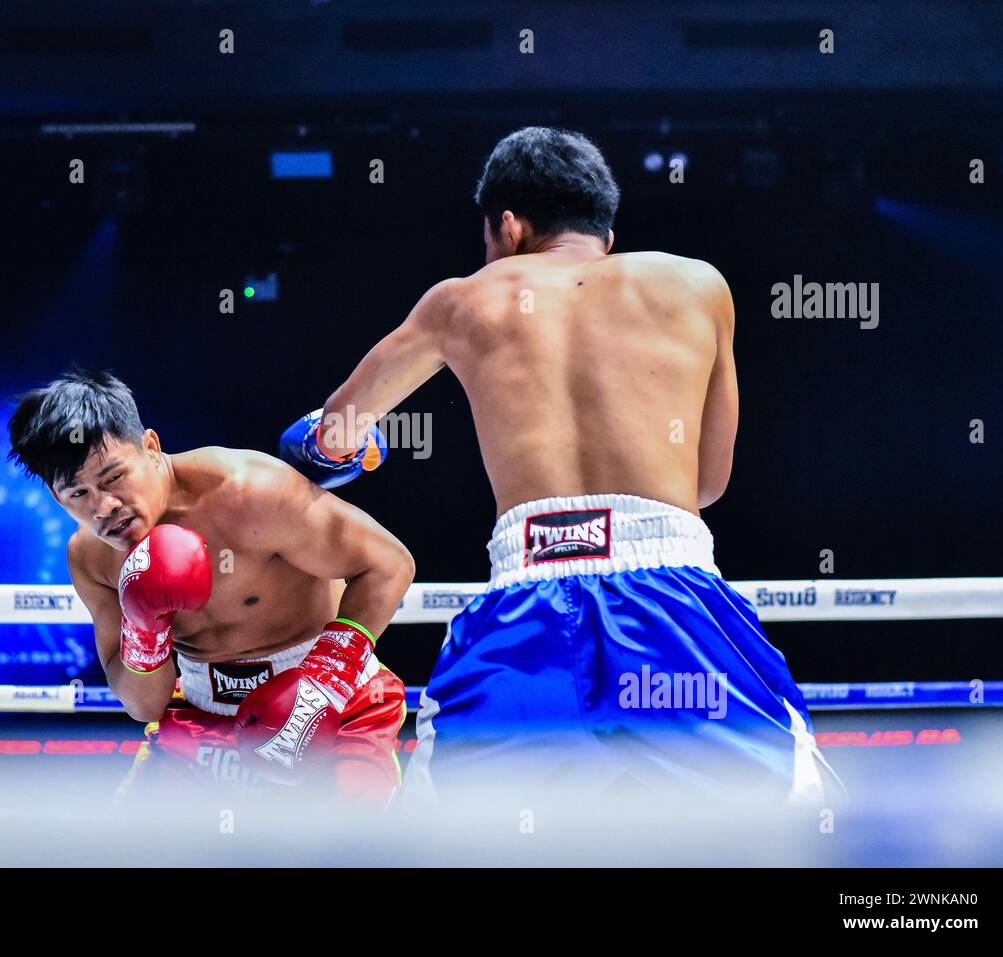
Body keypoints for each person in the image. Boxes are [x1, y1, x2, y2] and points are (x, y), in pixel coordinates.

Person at [279, 127, 837, 802]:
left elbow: (329, 432)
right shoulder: (698, 286)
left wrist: (336, 449)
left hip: (526, 606)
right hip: (675, 605)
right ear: (604, 226)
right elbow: (709, 483)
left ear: (509, 226)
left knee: (447, 830)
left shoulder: (462, 299)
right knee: (787, 817)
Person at [8, 370, 413, 803]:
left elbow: (388, 564)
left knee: (350, 848)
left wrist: (322, 683)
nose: (104, 506)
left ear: (151, 448)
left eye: (113, 478)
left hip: (337, 708)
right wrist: (144, 627)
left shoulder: (249, 493)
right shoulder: (91, 556)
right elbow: (144, 706)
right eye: (78, 494)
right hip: (200, 712)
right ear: (57, 498)